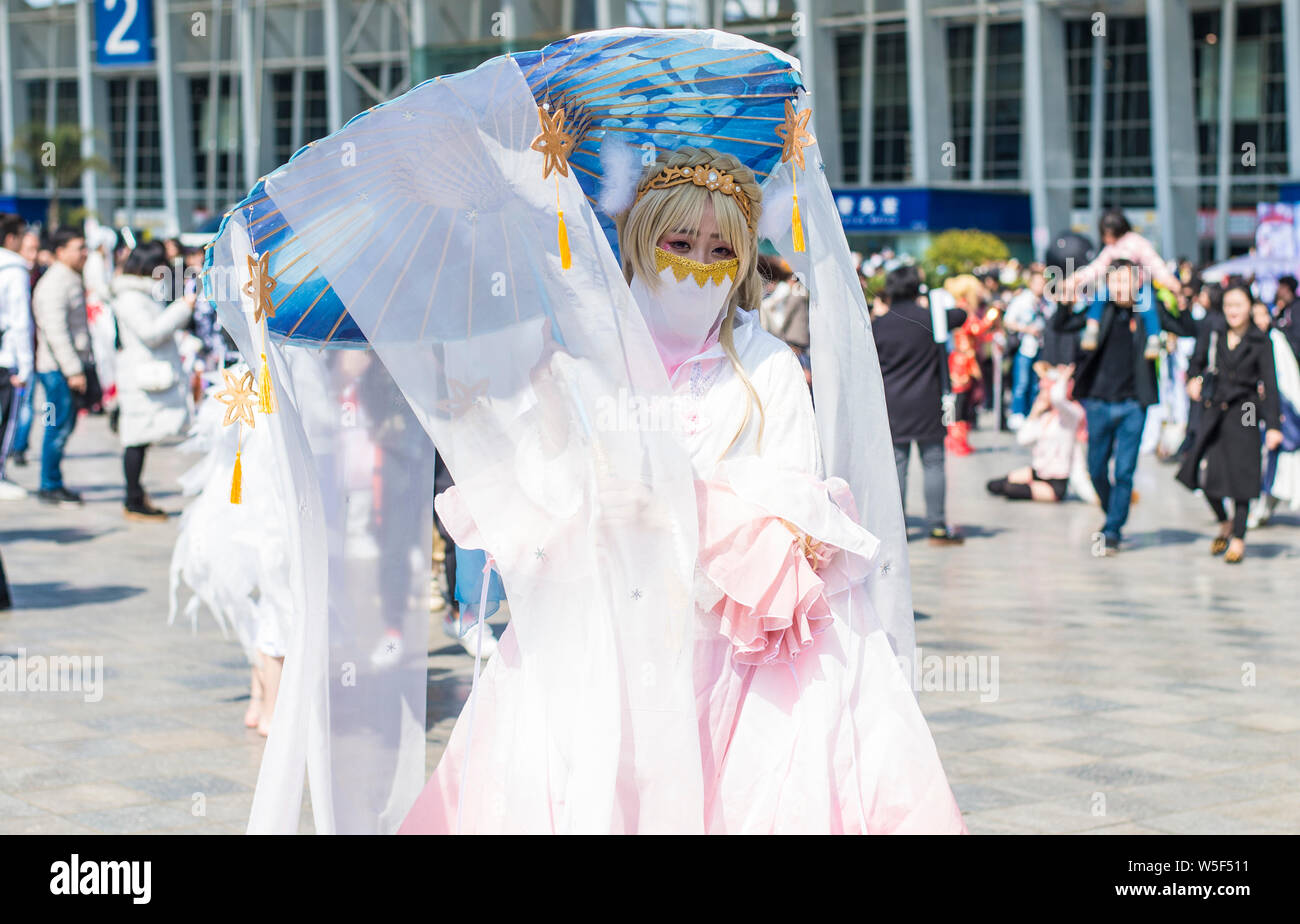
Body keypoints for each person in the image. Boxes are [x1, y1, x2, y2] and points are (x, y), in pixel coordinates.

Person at [395, 145, 965, 834]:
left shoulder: (768, 368)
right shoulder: (578, 362)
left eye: (721, 249)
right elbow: (536, 497)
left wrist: (671, 511)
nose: (698, 264)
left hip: (733, 659)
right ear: (641, 240)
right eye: (680, 241)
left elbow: (794, 516)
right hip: (595, 641)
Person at [1052, 258, 1196, 554]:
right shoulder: (1100, 308)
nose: (1120, 287)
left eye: (1125, 281)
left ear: (1137, 282)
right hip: (1098, 401)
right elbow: (1062, 324)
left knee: (1126, 470)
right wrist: (1064, 302)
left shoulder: (1148, 310)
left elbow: (1186, 328)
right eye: (1115, 281)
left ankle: (1113, 528)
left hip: (1134, 403)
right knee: (1096, 468)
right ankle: (1113, 511)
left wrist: (1182, 303)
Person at [1176, 284, 1283, 563]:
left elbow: (1270, 386)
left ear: (1250, 306)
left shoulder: (1261, 341)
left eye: (1238, 305)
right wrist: (1193, 379)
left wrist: (1273, 425)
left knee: (1243, 474)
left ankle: (1238, 537)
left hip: (1246, 407)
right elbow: (1196, 363)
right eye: (1228, 305)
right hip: (1215, 407)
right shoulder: (1214, 333)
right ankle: (1224, 521)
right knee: (1206, 475)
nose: (1233, 311)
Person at [871, 264, 966, 544]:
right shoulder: (932, 319)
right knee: (934, 463)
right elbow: (961, 314)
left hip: (892, 404)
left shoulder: (879, 325)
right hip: (927, 401)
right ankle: (937, 525)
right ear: (917, 289)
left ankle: (897, 529)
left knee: (897, 464)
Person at [112, 240, 195, 520]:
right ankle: (132, 498)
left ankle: (135, 495)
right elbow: (151, 333)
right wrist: (183, 307)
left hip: (147, 373)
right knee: (135, 439)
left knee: (140, 439)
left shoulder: (143, 293)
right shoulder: (130, 298)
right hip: (141, 376)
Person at [1064, 208, 1181, 359]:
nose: (1105, 239)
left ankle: (1153, 338)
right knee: (1101, 296)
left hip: (1138, 285)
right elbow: (1097, 267)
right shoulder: (1112, 248)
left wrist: (1168, 280)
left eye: (1106, 234)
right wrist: (1078, 278)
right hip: (1117, 288)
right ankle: (1092, 326)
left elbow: (1153, 263)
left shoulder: (1135, 243)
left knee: (1148, 305)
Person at [31, 229, 92, 505]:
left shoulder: (68, 278)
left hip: (64, 368)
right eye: (79, 247)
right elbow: (55, 331)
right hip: (57, 370)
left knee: (62, 426)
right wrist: (73, 370)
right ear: (60, 251)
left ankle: (52, 480)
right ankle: (49, 483)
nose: (84, 253)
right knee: (55, 425)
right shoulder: (55, 283)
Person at [986, 362, 1084, 502]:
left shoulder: (1071, 414)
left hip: (1056, 482)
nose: (1042, 393)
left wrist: (1063, 378)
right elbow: (1022, 439)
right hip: (1039, 472)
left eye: (1046, 390)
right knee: (994, 486)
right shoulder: (1045, 416)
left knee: (1011, 488)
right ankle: (1033, 485)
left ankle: (1036, 488)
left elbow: (1058, 398)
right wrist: (1034, 413)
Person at [1249, 298, 1300, 526]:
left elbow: (1288, 380)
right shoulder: (1244, 340)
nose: (1260, 320)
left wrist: (1280, 413)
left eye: (1263, 314)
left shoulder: (1275, 341)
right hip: (1248, 407)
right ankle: (1251, 505)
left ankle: (1263, 505)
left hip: (1272, 409)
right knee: (1248, 449)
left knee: (1269, 458)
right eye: (1255, 314)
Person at [0, 214, 34, 500]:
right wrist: (25, 366)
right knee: (7, 419)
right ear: (11, 239)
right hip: (6, 358)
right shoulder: (14, 269)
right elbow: (20, 322)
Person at [1003, 265, 1048, 429]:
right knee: (1022, 381)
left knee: (1036, 383)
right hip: (1025, 347)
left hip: (1041, 347)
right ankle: (1017, 413)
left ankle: (1032, 413)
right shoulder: (1021, 300)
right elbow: (1008, 321)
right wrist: (1027, 329)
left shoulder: (1047, 301)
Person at [1272, 274, 1300, 361]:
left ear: (1286, 288)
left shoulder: (1297, 307)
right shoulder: (1285, 308)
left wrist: (1280, 326)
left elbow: (1296, 335)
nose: (1277, 291)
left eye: (1280, 287)